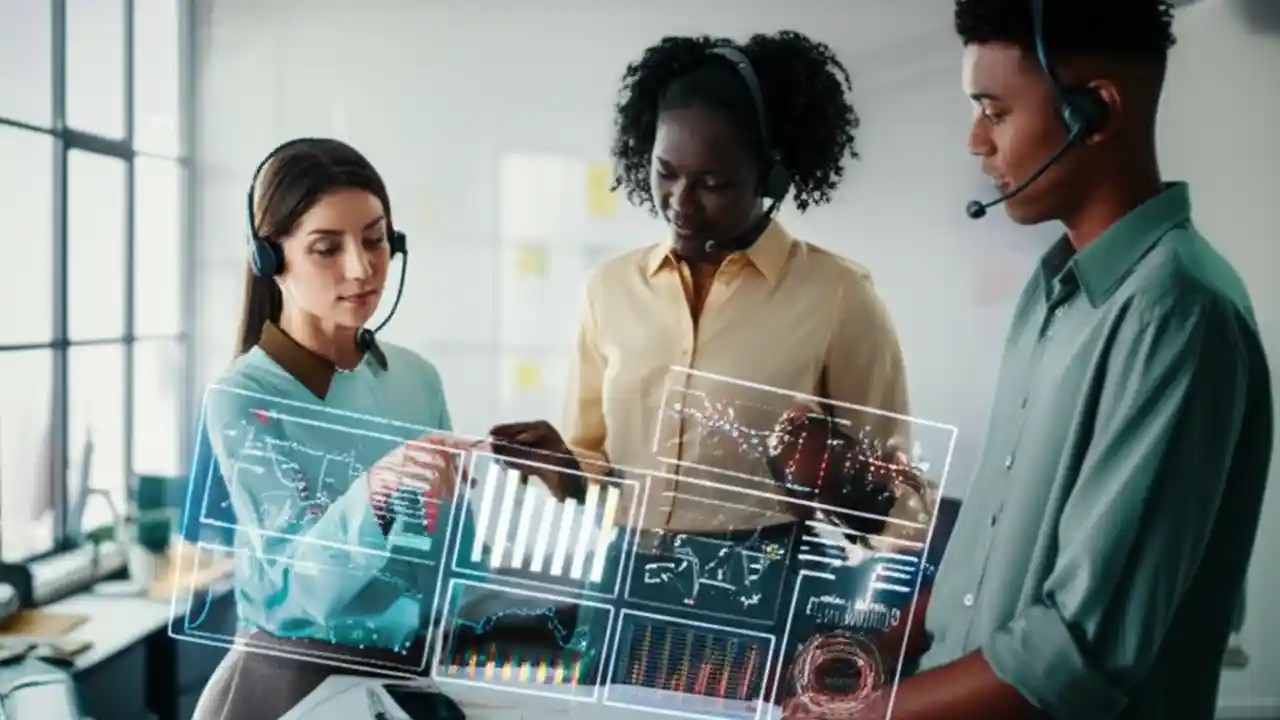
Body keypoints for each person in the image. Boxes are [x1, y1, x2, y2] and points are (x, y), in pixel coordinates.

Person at [847, 2, 1274, 718]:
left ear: (1094, 113)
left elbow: (1075, 653)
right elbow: (985, 569)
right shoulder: (1053, 293)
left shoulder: (1175, 314)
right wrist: (882, 643)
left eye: (995, 111)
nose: (976, 141)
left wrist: (871, 714)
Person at [489, 31, 930, 703]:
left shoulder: (839, 296)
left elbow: (902, 501)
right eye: (665, 173)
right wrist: (566, 469)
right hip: (624, 585)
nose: (681, 202)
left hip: (763, 594)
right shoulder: (609, 290)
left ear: (771, 178)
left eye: (713, 183)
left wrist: (844, 490)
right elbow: (597, 459)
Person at [192, 138, 465, 720]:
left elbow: (441, 563)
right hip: (297, 689)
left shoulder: (417, 378)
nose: (361, 268)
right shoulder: (245, 397)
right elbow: (299, 586)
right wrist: (377, 492)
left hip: (410, 678)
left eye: (375, 239)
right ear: (271, 259)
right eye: (326, 248)